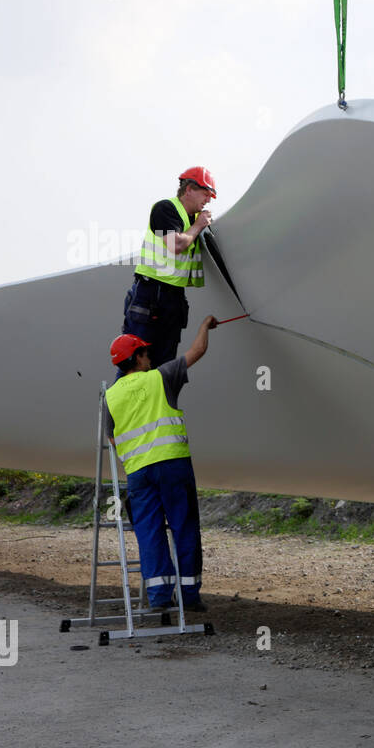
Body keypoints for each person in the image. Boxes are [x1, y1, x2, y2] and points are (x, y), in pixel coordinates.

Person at [103, 317, 218, 612]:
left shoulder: (110, 396)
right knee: (184, 526)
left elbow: (113, 440)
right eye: (145, 353)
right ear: (136, 358)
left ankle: (159, 598)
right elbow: (198, 351)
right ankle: (189, 597)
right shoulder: (161, 376)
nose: (149, 357)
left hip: (139, 474)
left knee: (149, 532)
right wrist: (205, 325)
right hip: (172, 466)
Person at [122, 167, 217, 370]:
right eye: (206, 193)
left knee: (163, 368)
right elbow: (176, 245)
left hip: (173, 299)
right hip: (150, 294)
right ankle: (118, 402)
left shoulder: (193, 219)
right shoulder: (164, 209)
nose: (209, 199)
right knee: (134, 362)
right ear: (189, 189)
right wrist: (199, 225)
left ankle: (157, 403)